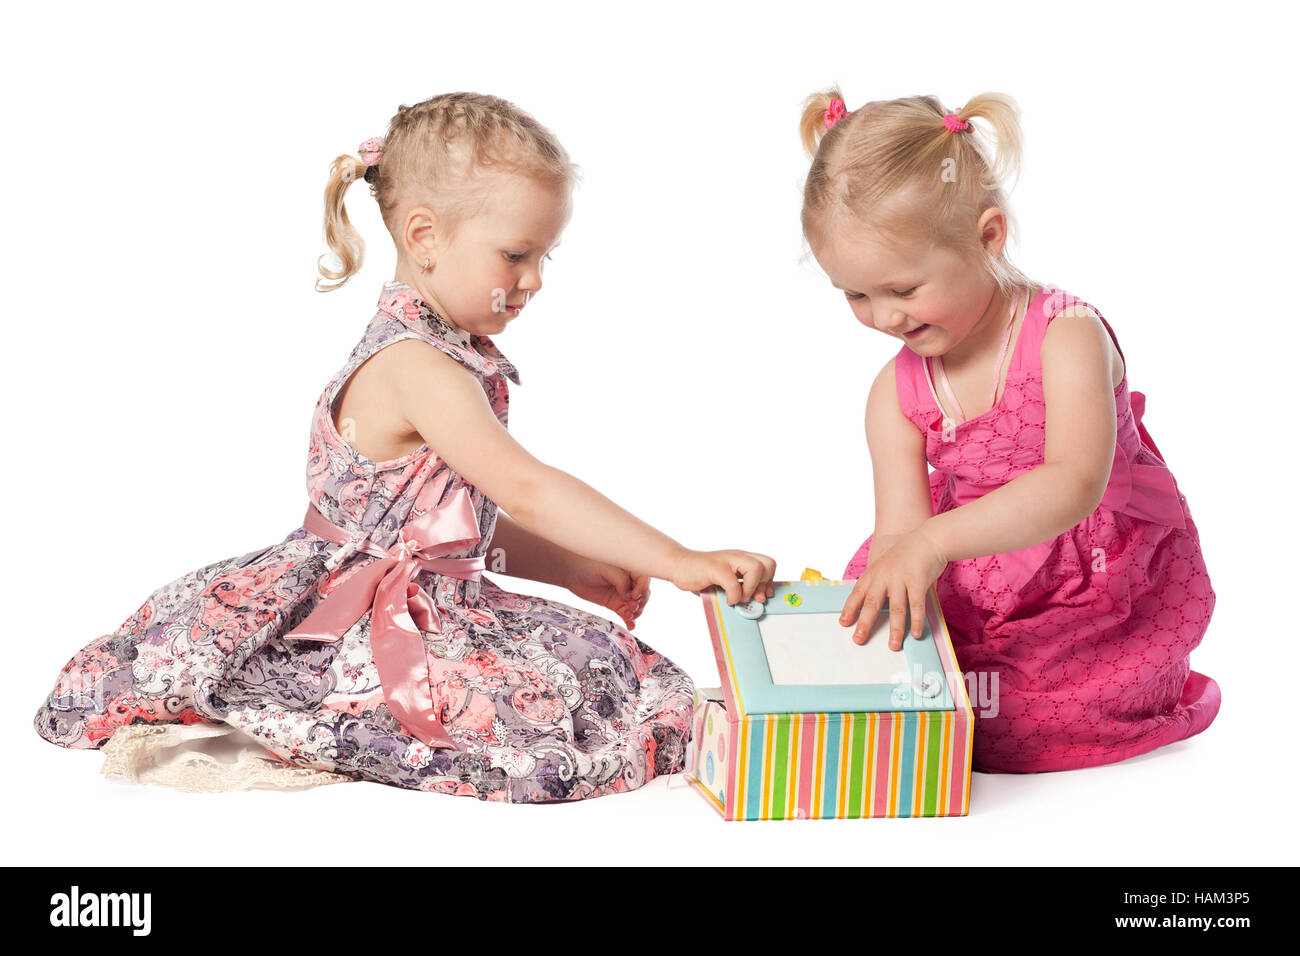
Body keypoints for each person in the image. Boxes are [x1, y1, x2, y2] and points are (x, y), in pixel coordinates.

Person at [33, 91, 776, 802]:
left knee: (605, 664)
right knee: (542, 717)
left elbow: (445, 526)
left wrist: (569, 566)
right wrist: (680, 560)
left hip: (431, 597)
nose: (535, 280)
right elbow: (527, 488)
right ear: (424, 237)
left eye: (547, 257)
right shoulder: (417, 365)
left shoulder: (446, 352)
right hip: (356, 618)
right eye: (517, 255)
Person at [798, 90, 1219, 773]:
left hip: (1094, 582)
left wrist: (935, 540)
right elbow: (901, 530)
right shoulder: (892, 394)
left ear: (988, 236)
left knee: (1037, 713)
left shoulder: (1065, 334)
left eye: (903, 290)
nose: (882, 317)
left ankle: (1058, 706)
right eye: (855, 294)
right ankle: (931, 702)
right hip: (978, 580)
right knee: (895, 654)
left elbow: (1074, 483)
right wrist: (898, 577)